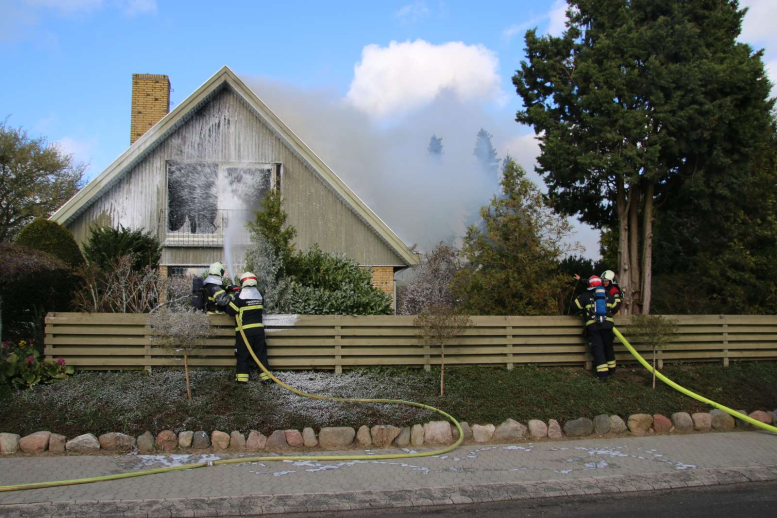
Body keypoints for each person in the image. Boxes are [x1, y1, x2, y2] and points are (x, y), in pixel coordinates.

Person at [225, 272, 270, 384]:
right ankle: (266, 377)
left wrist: (233, 296)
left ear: (243, 282)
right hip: (259, 332)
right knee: (261, 354)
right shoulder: (259, 295)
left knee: (243, 354)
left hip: (245, 332)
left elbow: (230, 311)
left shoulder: (240, 296)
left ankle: (242, 379)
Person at [574, 275, 616, 381]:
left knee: (598, 349)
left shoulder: (585, 296)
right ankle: (612, 370)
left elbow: (574, 307)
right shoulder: (609, 295)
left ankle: (602, 375)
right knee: (608, 347)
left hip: (594, 326)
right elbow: (615, 307)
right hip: (608, 325)